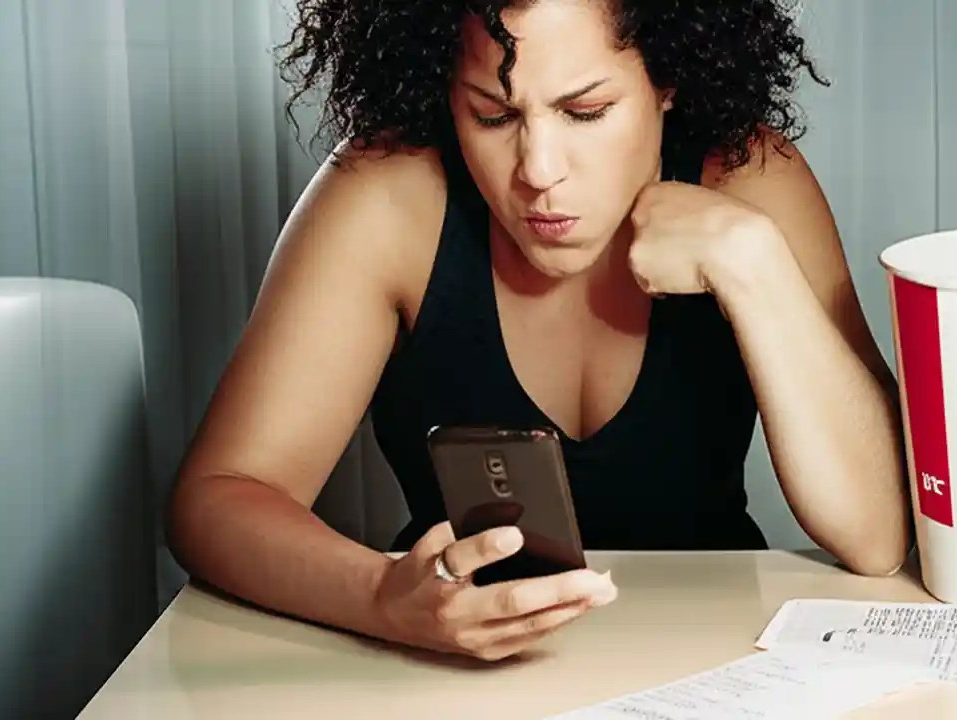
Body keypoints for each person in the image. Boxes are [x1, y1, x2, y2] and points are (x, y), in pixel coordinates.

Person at [167, 0, 911, 663]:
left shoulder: (751, 177)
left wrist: (753, 266)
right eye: (493, 115)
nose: (539, 170)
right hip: (445, 670)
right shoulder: (388, 196)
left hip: (715, 659)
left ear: (669, 78)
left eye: (585, 112)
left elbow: (878, 537)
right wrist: (382, 598)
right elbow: (217, 500)